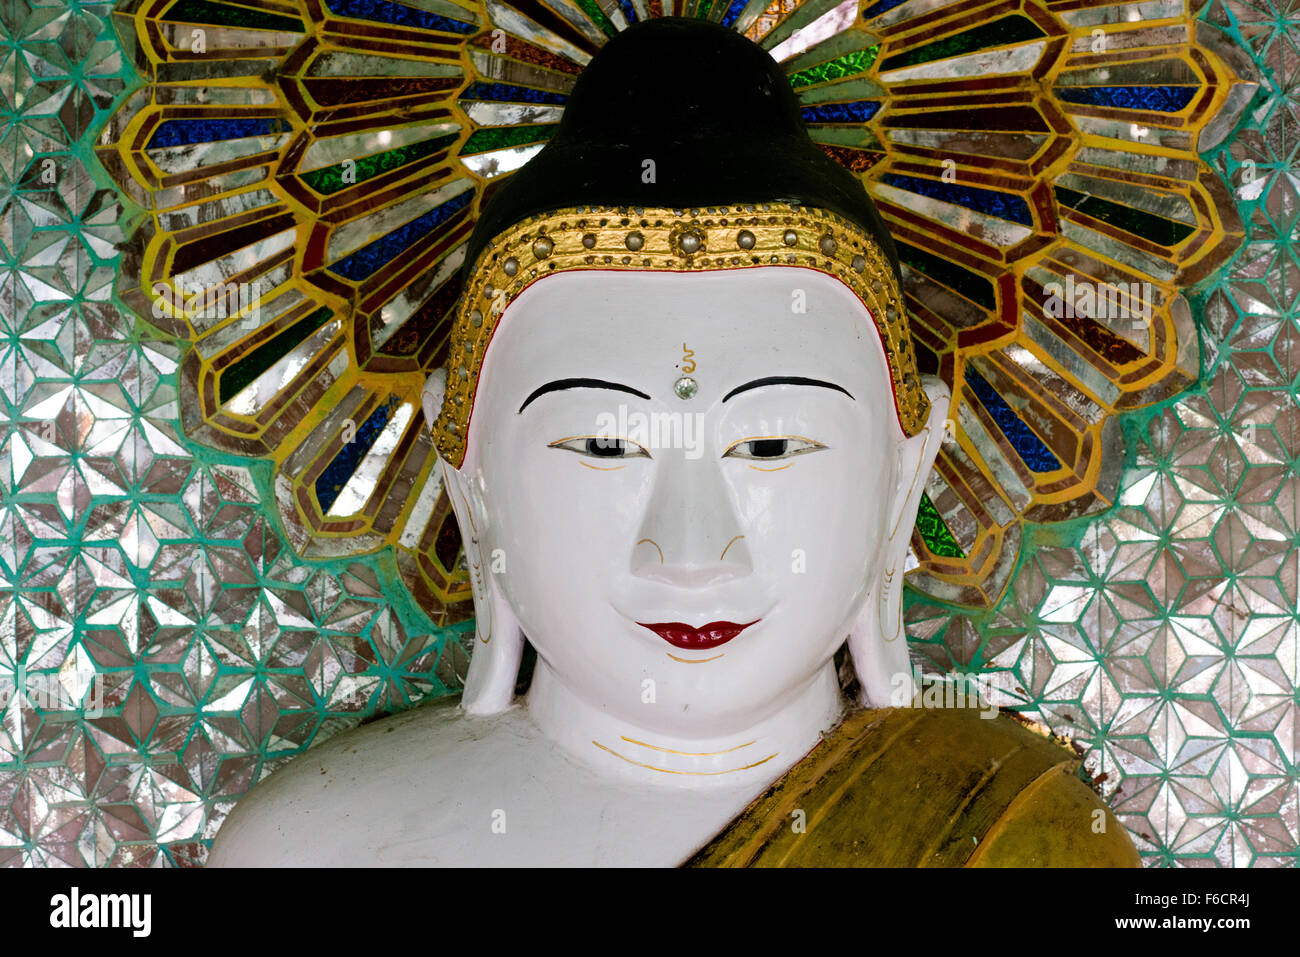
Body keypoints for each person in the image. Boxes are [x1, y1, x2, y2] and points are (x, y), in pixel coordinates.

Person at [208, 18, 1139, 867]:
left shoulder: (1010, 839)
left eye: (771, 446)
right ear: (469, 480)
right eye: (606, 448)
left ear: (905, 477)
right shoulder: (315, 851)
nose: (691, 549)